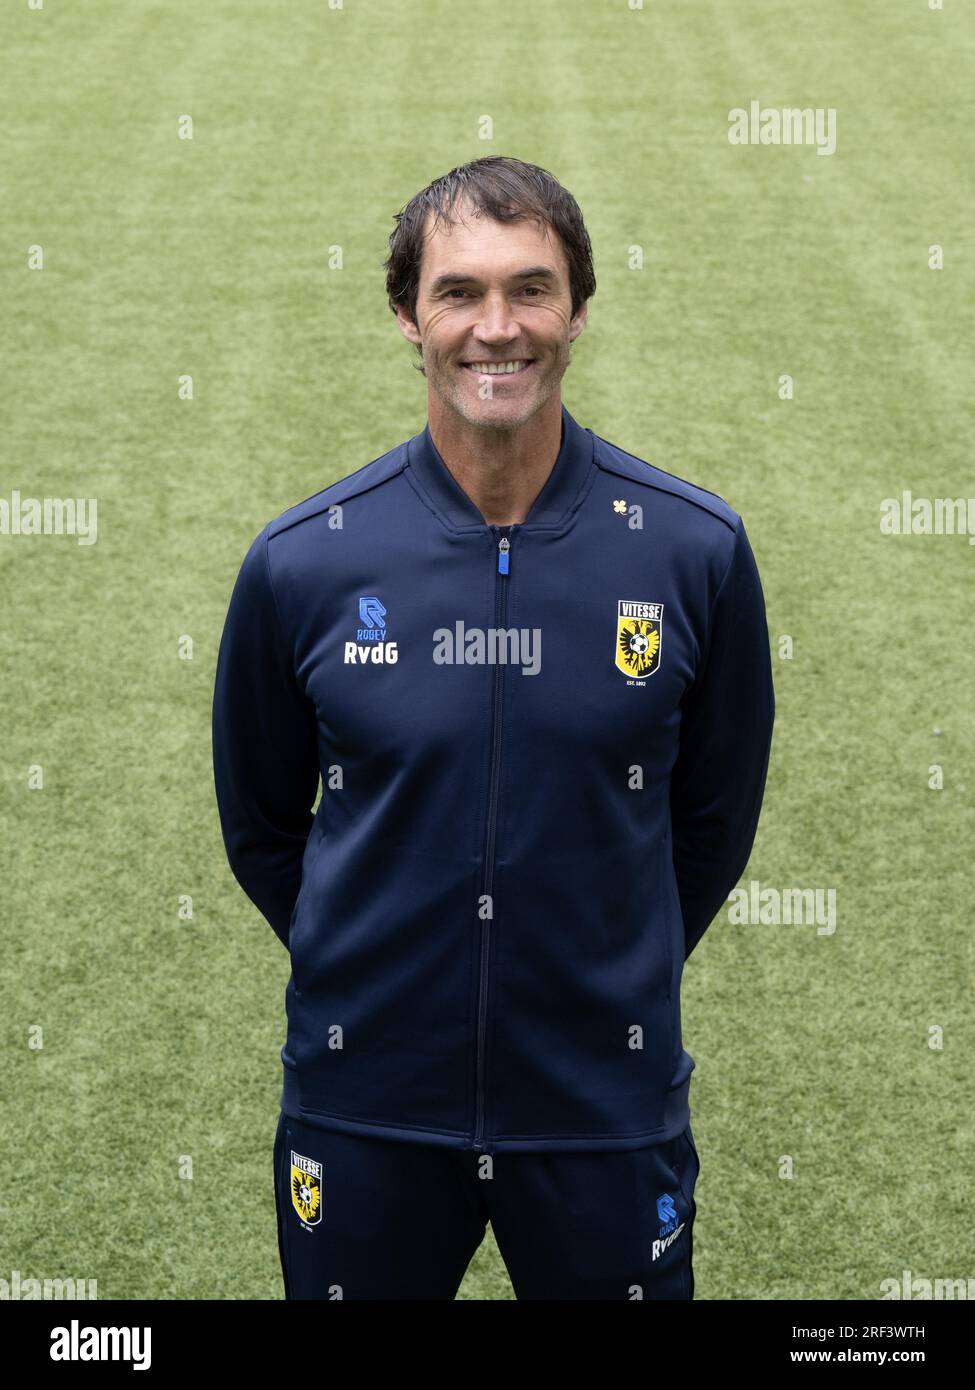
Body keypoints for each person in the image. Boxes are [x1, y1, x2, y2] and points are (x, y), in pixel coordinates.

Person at [211, 155, 775, 1300]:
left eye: (532, 288)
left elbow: (711, 827)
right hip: (367, 1103)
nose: (498, 327)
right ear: (408, 316)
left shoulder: (693, 551)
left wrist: (601, 967)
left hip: (601, 1106)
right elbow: (262, 826)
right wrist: (373, 964)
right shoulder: (304, 561)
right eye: (459, 292)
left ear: (578, 309)